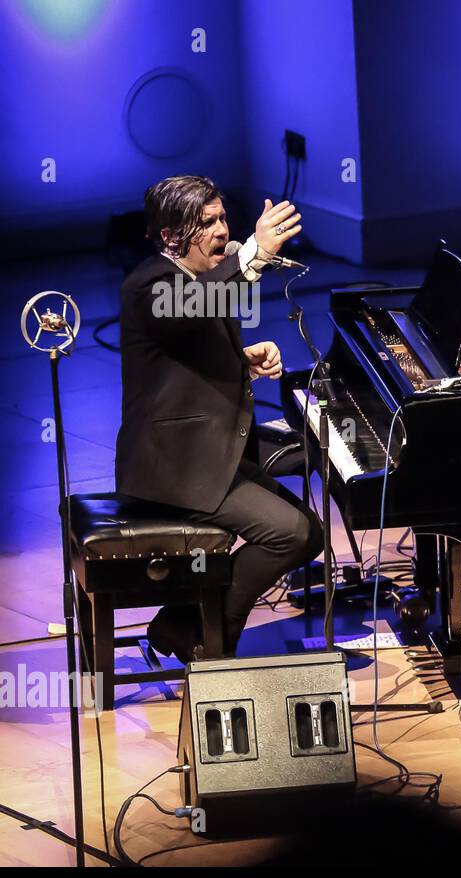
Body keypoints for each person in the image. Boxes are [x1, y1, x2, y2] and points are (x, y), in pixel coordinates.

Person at [115, 174, 323, 660]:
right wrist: (253, 255)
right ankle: (211, 635)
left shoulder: (197, 279)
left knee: (308, 531)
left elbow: (191, 339)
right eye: (206, 223)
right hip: (176, 470)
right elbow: (190, 308)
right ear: (170, 236)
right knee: (289, 534)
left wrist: (243, 361)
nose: (220, 230)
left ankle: (182, 623)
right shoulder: (148, 285)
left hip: (212, 454)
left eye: (222, 218)